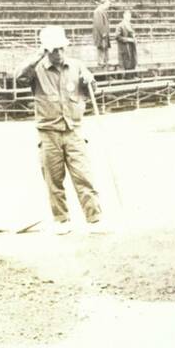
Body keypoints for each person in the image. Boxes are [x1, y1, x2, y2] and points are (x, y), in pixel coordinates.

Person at [14, 26, 107, 234]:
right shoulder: (36, 70)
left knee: (83, 175)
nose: (59, 53)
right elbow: (18, 76)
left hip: (73, 130)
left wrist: (90, 82)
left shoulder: (77, 66)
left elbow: (93, 89)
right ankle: (61, 220)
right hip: (49, 133)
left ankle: (95, 218)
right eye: (54, 49)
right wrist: (39, 54)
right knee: (53, 178)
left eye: (61, 48)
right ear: (46, 50)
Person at [92, 0, 111, 67]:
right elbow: (99, 23)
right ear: (104, 4)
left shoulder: (103, 11)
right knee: (101, 47)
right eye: (108, 4)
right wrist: (103, 33)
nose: (109, 6)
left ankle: (105, 61)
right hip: (101, 34)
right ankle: (101, 62)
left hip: (104, 34)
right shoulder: (98, 11)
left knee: (105, 47)